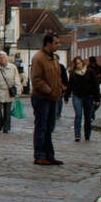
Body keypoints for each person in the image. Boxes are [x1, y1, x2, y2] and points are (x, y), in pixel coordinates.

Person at [30, 33, 64, 167]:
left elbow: (57, 76)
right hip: (42, 97)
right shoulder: (38, 58)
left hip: (53, 98)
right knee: (41, 127)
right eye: (56, 43)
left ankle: (49, 155)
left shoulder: (54, 58)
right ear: (48, 43)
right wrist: (49, 90)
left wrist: (60, 88)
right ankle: (39, 155)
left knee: (49, 128)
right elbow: (37, 80)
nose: (58, 45)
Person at [0, 51, 20, 132]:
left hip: (9, 91)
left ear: (6, 58)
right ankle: (1, 121)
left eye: (3, 58)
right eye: (0, 58)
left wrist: (18, 91)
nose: (2, 59)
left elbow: (17, 80)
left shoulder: (12, 67)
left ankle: (6, 127)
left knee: (7, 110)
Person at [68, 57, 98, 142]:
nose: (78, 65)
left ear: (82, 63)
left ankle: (87, 135)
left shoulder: (90, 72)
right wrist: (66, 95)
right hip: (77, 95)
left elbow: (95, 85)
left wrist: (97, 98)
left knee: (88, 117)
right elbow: (70, 84)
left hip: (88, 96)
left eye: (79, 63)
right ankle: (77, 135)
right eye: (76, 64)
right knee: (78, 115)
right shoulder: (73, 73)